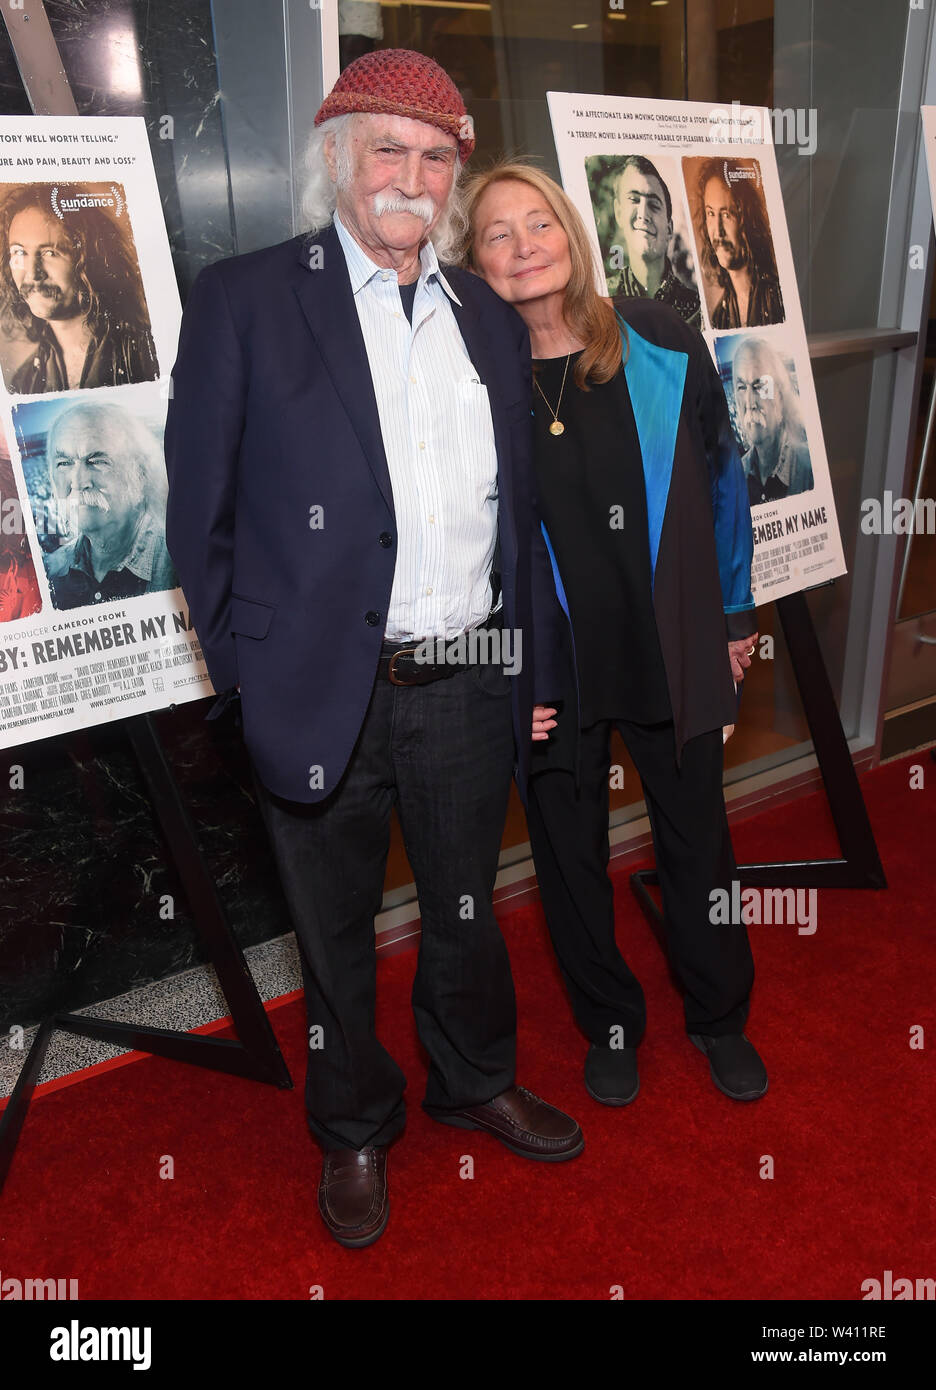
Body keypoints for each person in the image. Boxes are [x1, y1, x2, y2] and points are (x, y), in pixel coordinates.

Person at [164, 50, 582, 1252]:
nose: (410, 174)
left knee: (465, 910)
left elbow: (526, 520)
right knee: (334, 928)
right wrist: (247, 682)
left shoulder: (489, 325)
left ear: (454, 175)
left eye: (434, 155)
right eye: (386, 149)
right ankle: (351, 1127)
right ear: (339, 157)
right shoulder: (247, 297)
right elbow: (202, 520)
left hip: (468, 682)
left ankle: (473, 1077)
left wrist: (534, 673)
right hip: (320, 690)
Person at [462, 160, 768, 1107]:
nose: (522, 247)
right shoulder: (474, 376)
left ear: (571, 234)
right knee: (567, 847)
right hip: (554, 660)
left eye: (538, 224)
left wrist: (732, 614)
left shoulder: (659, 336)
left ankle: (718, 1014)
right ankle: (610, 1020)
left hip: (668, 634)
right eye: (496, 235)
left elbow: (724, 482)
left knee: (695, 837)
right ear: (473, 263)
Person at [0, 184, 159, 395]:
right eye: (19, 252)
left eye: (49, 253)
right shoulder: (25, 380)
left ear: (88, 258)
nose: (33, 273)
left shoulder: (144, 353)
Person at [43, 400, 175, 610]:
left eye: (97, 461)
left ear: (140, 474)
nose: (77, 483)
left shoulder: (179, 561)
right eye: (64, 463)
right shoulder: (51, 570)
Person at [606, 155, 701, 329]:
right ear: (618, 212)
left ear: (669, 228)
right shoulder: (601, 298)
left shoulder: (697, 308)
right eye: (634, 200)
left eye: (654, 205)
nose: (643, 213)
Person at [694, 158, 784, 329]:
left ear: (747, 220)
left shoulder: (778, 298)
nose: (718, 231)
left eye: (727, 214)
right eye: (711, 214)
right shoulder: (720, 317)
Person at [732, 337, 814, 505]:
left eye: (760, 386)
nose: (750, 403)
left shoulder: (809, 467)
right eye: (741, 387)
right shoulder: (736, 474)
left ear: (781, 395)